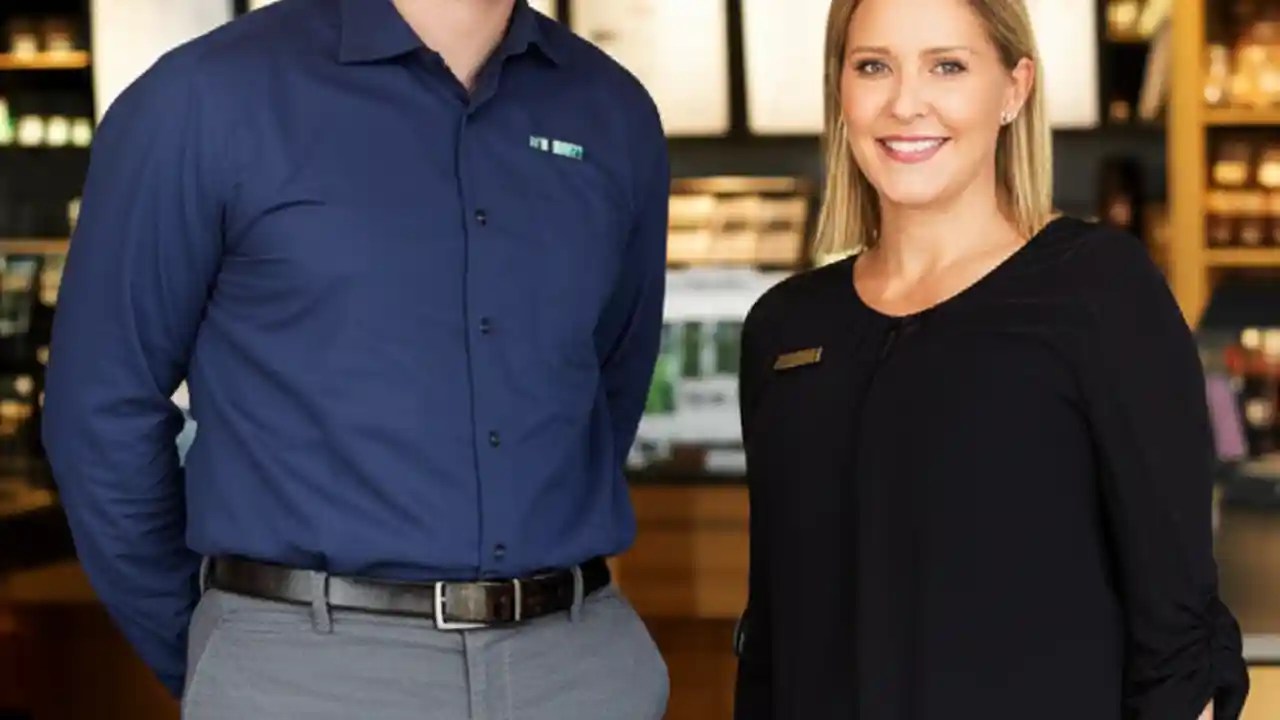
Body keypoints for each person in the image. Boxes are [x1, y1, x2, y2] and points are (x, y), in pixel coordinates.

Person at [41, 0, 671, 717]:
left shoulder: (613, 112)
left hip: (577, 669)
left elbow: (607, 393)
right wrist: (221, 643)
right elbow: (99, 412)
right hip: (305, 672)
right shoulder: (205, 99)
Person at [731, 0, 1251, 718]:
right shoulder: (784, 327)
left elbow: (1177, 635)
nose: (905, 102)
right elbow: (772, 642)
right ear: (840, 90)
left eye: (947, 66)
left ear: (1014, 88)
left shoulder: (1097, 292)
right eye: (873, 66)